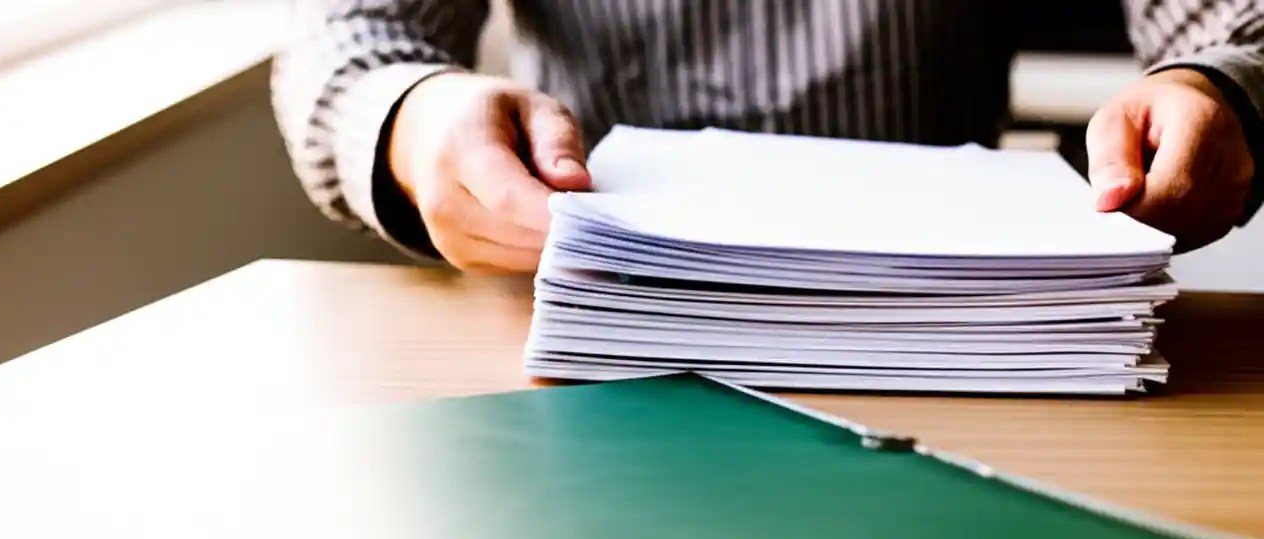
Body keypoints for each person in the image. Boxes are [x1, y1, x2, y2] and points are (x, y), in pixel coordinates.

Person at [272, 1, 1263, 273]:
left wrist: (1219, 85)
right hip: (585, 329)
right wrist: (416, 119)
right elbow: (348, 33)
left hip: (946, 336)